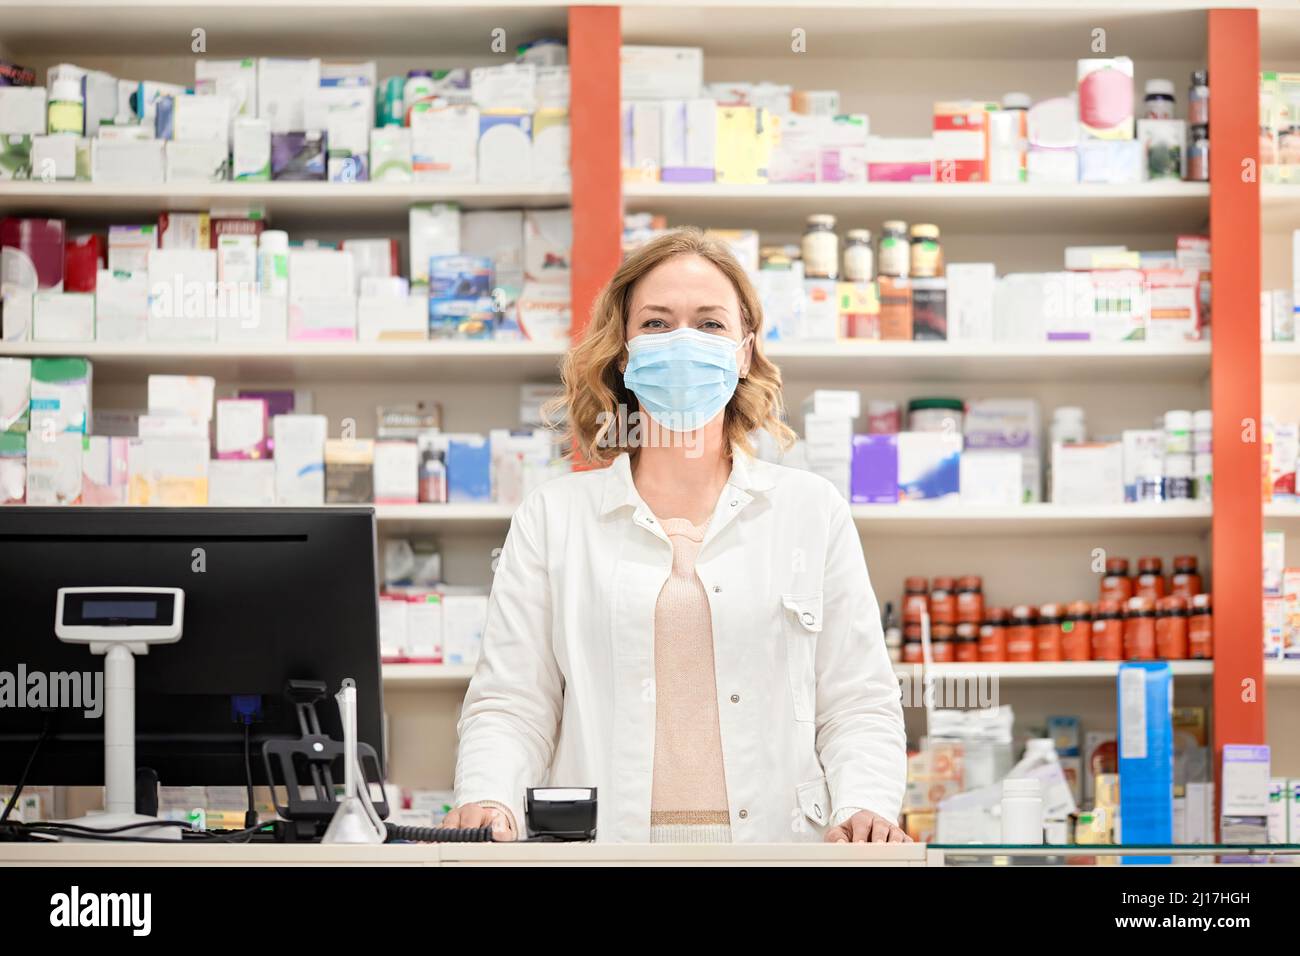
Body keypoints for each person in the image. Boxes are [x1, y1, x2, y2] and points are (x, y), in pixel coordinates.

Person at [443, 228, 908, 844]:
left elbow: (857, 703)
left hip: (774, 851)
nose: (684, 342)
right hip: (605, 852)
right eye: (658, 323)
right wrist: (488, 797)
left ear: (744, 351)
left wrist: (865, 804)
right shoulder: (554, 518)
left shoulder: (809, 511)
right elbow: (512, 704)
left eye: (710, 324)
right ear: (625, 351)